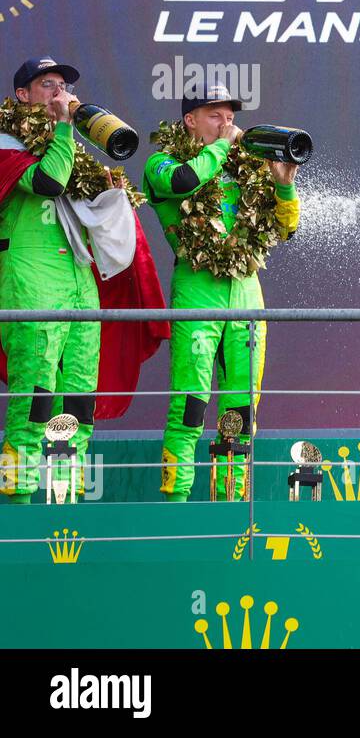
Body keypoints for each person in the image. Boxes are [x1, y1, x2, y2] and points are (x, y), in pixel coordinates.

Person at [143, 81, 300, 501]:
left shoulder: (244, 168)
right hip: (197, 290)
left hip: (246, 293)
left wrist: (284, 184)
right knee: (190, 407)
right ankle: (176, 504)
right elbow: (183, 182)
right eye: (215, 115)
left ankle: (231, 506)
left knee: (241, 413)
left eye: (230, 117)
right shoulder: (163, 162)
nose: (226, 124)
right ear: (189, 120)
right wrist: (223, 146)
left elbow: (286, 229)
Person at [0, 58, 114, 500]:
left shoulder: (68, 147)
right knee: (35, 401)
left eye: (63, 85)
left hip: (79, 281)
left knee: (79, 401)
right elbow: (48, 182)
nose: (59, 92)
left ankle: (67, 506)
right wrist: (65, 127)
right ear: (22, 95)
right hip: (32, 281)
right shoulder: (6, 143)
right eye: (47, 84)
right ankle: (18, 506)